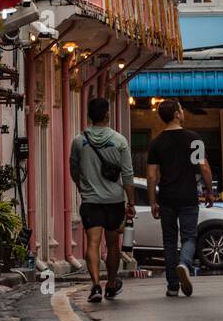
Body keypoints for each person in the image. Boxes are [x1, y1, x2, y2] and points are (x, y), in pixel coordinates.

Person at [68, 97, 137, 304]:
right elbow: (128, 175)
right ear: (107, 115)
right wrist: (131, 202)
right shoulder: (119, 141)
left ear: (89, 116)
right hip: (114, 201)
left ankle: (96, 284)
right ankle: (112, 282)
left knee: (93, 243)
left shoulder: (79, 141)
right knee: (113, 244)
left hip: (91, 201)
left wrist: (83, 187)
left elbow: (74, 170)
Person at [147, 99, 214, 297]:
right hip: (188, 196)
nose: (183, 112)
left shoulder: (156, 143)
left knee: (169, 241)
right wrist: (209, 191)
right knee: (189, 236)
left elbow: (151, 175)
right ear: (177, 114)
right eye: (181, 110)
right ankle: (184, 263)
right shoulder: (194, 139)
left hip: (166, 197)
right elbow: (203, 167)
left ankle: (172, 286)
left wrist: (152, 201)